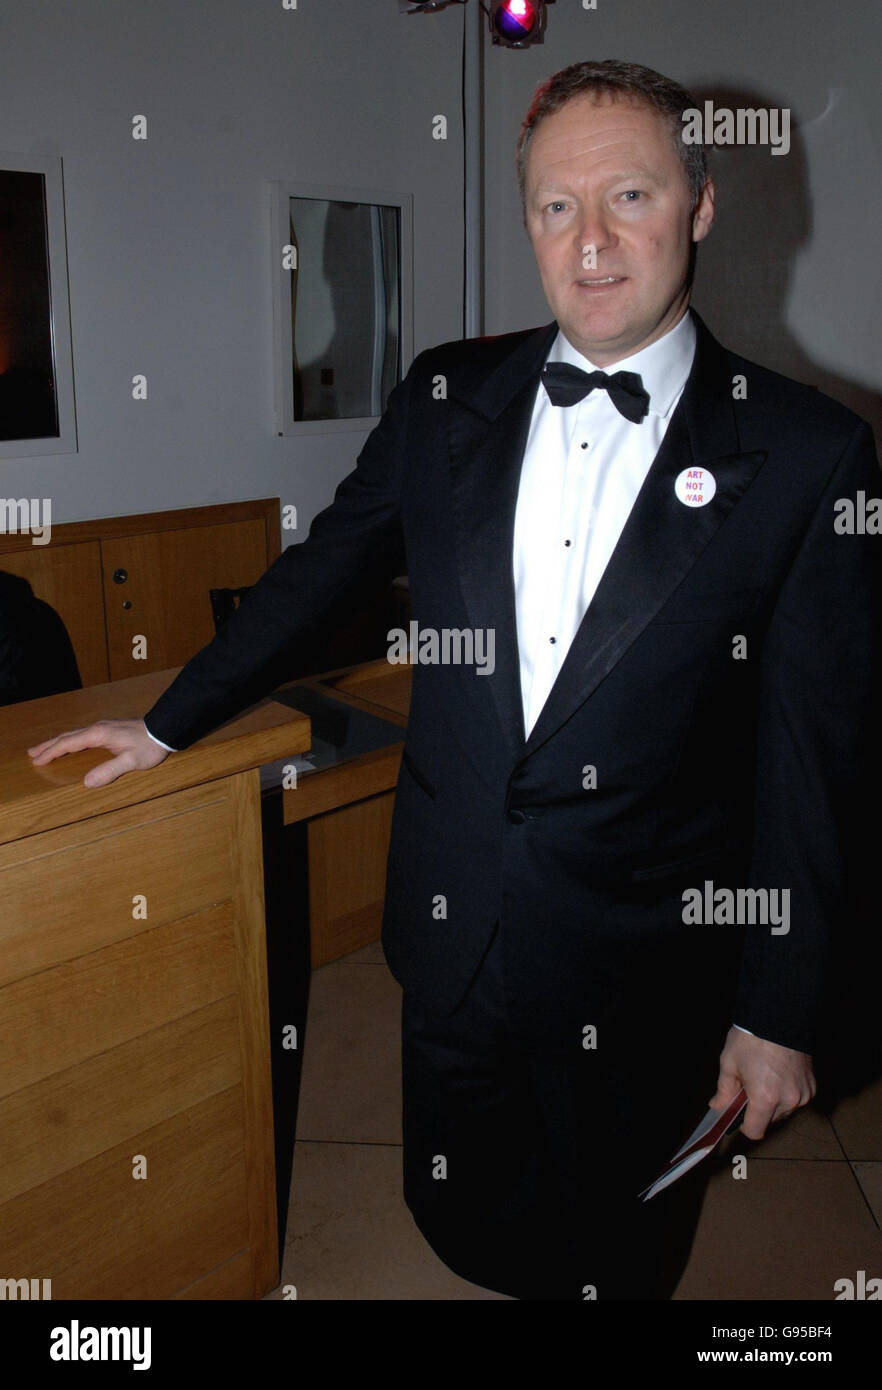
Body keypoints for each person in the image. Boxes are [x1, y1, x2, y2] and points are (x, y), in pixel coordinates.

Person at [28, 59, 881, 1300]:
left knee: (619, 1247)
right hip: (453, 925)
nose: (589, 244)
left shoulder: (813, 453)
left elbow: (822, 766)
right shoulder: (445, 396)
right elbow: (317, 577)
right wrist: (168, 723)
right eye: (553, 208)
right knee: (466, 1214)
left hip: (652, 965)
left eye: (629, 197)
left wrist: (780, 1009)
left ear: (699, 203)